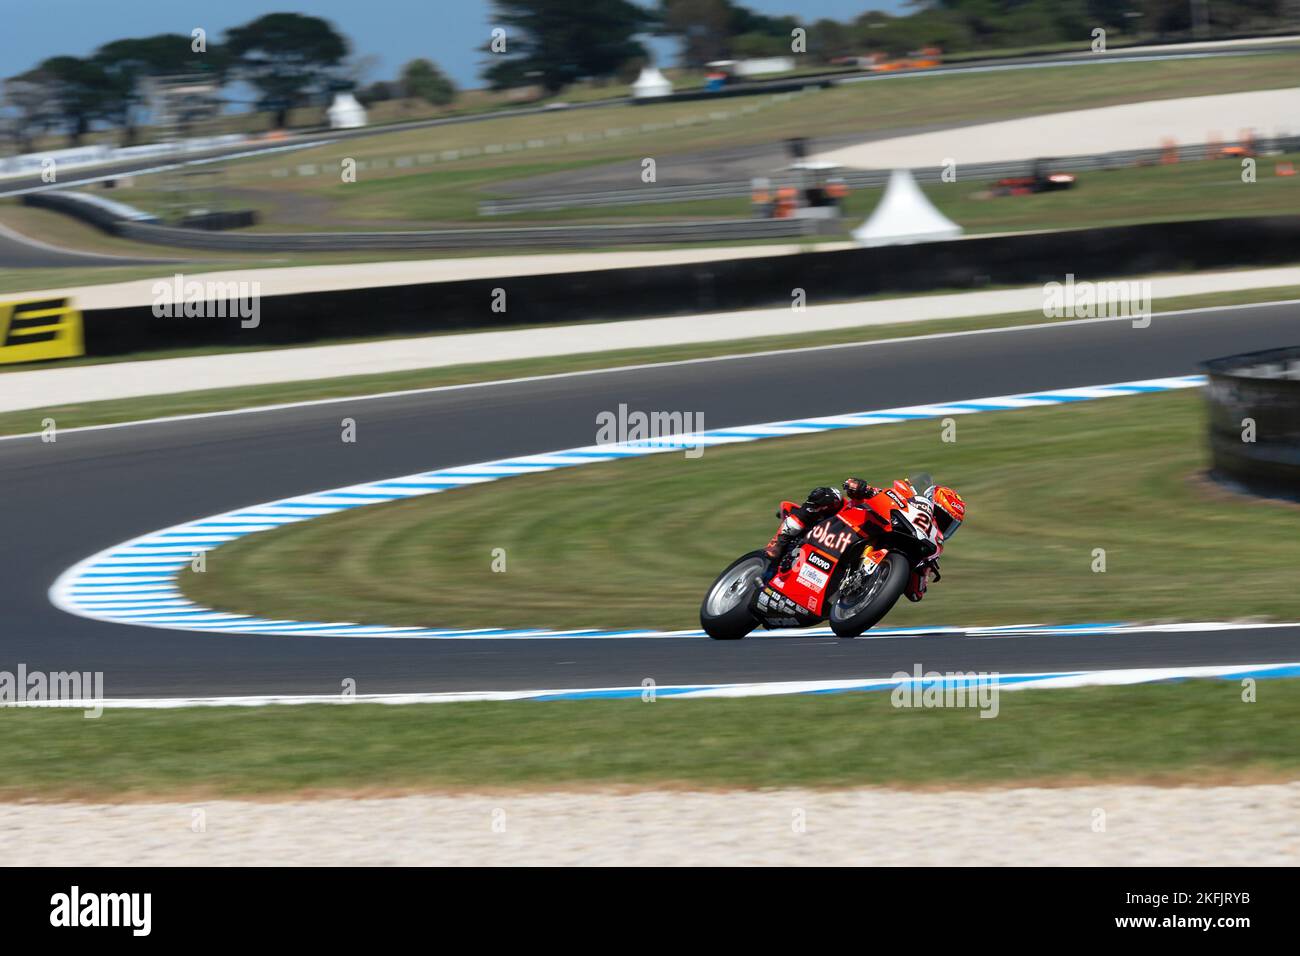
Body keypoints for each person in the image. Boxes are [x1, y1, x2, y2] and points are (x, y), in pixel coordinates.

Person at [764, 479, 966, 601]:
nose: (940, 524)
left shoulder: (929, 550)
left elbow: (915, 595)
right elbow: (870, 493)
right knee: (828, 495)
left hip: (879, 549)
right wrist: (861, 487)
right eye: (941, 516)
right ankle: (781, 539)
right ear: (929, 502)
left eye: (948, 524)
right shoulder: (905, 500)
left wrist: (923, 572)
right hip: (848, 522)